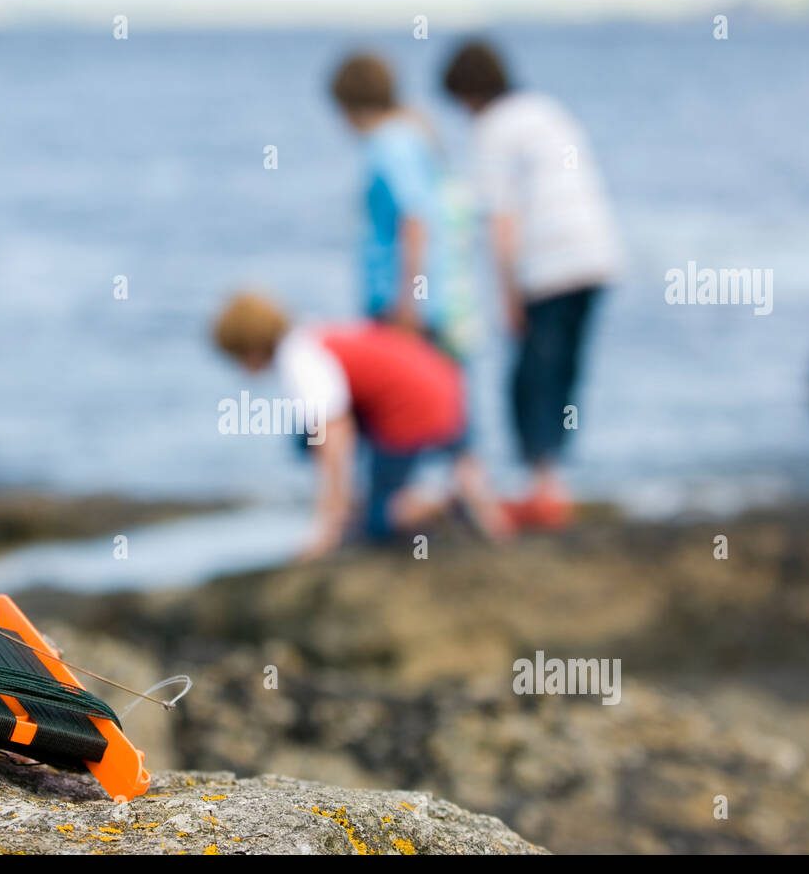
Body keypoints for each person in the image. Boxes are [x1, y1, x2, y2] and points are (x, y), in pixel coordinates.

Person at [443, 40, 622, 527]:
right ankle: (553, 481)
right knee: (564, 370)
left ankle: (542, 487)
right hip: (596, 253)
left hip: (548, 264)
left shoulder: (493, 129)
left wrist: (507, 294)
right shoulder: (546, 111)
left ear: (467, 93)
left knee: (530, 379)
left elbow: (501, 218)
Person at [212, 292, 511, 559]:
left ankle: (443, 503)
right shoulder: (315, 333)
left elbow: (334, 435)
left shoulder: (299, 361)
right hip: (445, 380)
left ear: (249, 348)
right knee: (308, 435)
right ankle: (477, 499)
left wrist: (328, 524)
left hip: (410, 408)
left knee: (376, 523)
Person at [329, 53, 474, 358]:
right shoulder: (410, 137)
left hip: (404, 312)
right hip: (426, 307)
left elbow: (415, 220)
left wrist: (409, 305)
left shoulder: (390, 145)